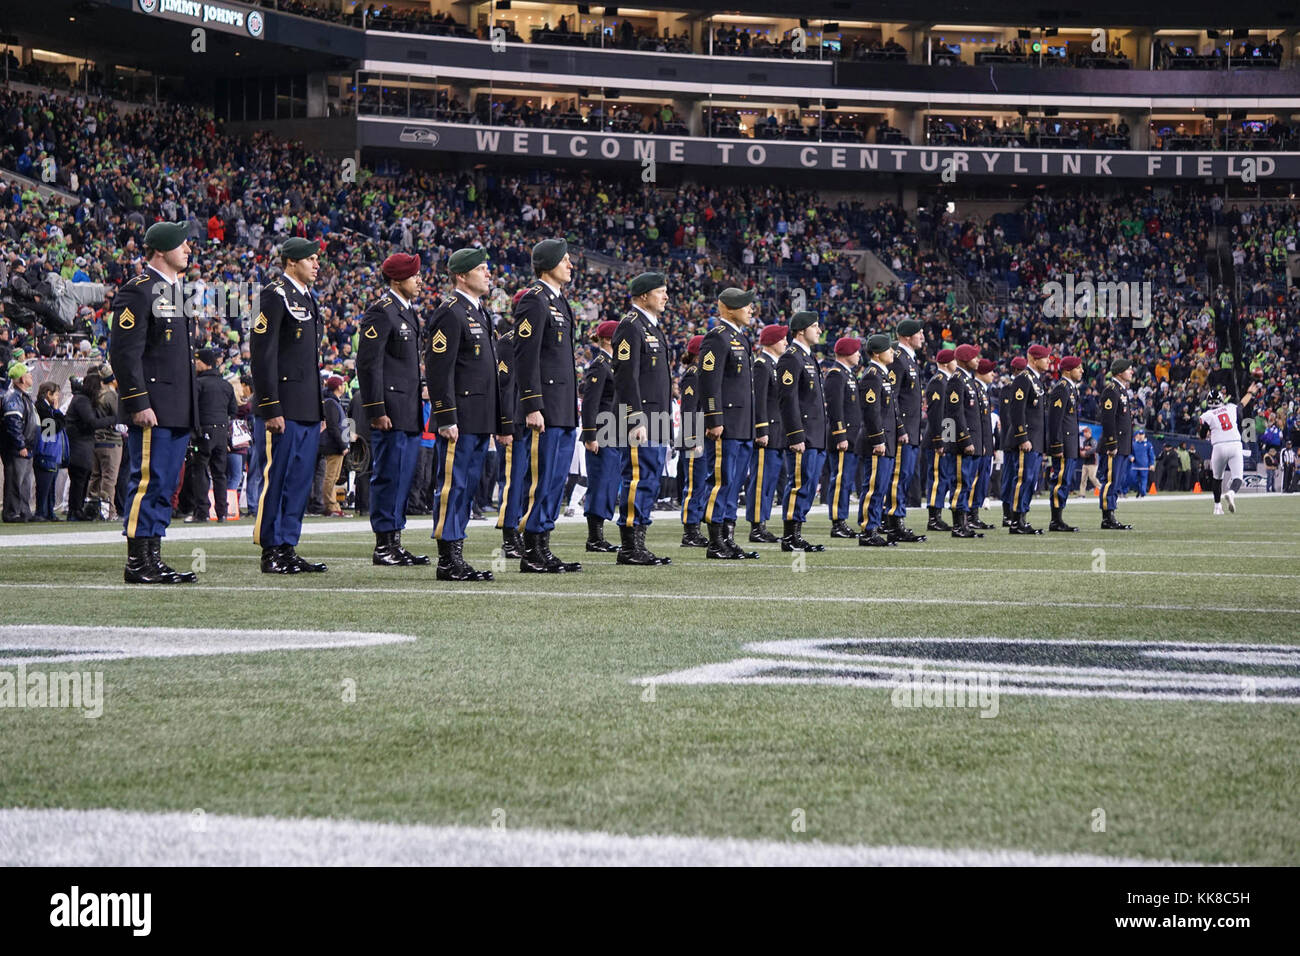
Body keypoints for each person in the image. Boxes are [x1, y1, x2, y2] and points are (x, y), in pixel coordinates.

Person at [109, 220, 198, 583]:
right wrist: (137, 401)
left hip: (176, 405)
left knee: (164, 485)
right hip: (153, 406)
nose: (189, 248)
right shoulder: (139, 290)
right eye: (182, 243)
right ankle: (138, 561)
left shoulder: (177, 291)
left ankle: (154, 555)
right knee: (148, 481)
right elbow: (125, 354)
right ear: (161, 249)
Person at [425, 248, 512, 580]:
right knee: (452, 485)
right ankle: (448, 559)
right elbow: (439, 369)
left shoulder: (480, 313)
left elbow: (491, 376)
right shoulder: (451, 312)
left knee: (466, 487)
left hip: (478, 418)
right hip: (459, 418)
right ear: (461, 275)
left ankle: (456, 552)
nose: (488, 274)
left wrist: (499, 422)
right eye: (481, 269)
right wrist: (446, 416)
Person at [250, 236, 329, 574]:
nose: (316, 265)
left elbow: (310, 361)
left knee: (298, 481)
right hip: (282, 406)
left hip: (306, 406)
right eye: (310, 259)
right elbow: (262, 354)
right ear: (291, 261)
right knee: (278, 478)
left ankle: (288, 545)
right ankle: (272, 549)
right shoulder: (273, 295)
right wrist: (270, 405)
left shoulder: (308, 299)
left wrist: (320, 410)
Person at [513, 238, 583, 573]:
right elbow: (526, 358)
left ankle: (543, 545)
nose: (570, 265)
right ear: (549, 264)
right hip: (545, 408)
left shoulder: (560, 303)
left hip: (563, 407)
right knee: (540, 479)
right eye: (565, 260)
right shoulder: (534, 301)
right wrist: (532, 404)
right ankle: (530, 549)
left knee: (556, 480)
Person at [612, 271, 673, 567]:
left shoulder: (652, 327)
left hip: (657, 416)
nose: (666, 297)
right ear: (644, 295)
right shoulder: (631, 326)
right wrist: (634, 418)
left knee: (650, 480)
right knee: (637, 479)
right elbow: (626, 377)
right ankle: (629, 546)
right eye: (660, 291)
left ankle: (639, 542)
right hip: (642, 418)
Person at [698, 287, 761, 559]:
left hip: (742, 423)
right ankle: (715, 541)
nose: (751, 310)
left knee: (735, 482)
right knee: (721, 481)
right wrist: (714, 418)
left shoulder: (741, 339)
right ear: (730, 308)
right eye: (745, 305)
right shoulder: (717, 338)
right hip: (726, 424)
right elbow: (709, 381)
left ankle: (728, 537)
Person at [776, 311, 827, 553]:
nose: (819, 330)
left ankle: (797, 534)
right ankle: (790, 537)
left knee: (807, 484)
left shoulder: (807, 357)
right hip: (803, 435)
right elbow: (788, 399)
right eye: (815, 326)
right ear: (800, 331)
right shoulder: (791, 358)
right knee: (798, 484)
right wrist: (795, 434)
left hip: (815, 434)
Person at [580, 320, 620, 553]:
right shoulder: (599, 365)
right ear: (607, 339)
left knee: (610, 483)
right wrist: (590, 435)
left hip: (613, 431)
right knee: (600, 482)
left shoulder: (614, 364)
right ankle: (594, 537)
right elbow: (590, 403)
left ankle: (599, 535)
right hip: (601, 432)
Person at [745, 322, 787, 543]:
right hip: (767, 431)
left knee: (770, 480)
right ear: (772, 342)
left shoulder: (773, 365)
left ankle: (763, 522)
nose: (786, 342)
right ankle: (756, 525)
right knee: (761, 480)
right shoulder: (762, 364)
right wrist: (761, 428)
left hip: (777, 432)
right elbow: (759, 400)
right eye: (782, 339)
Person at [185, 347, 237, 523]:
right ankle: (221, 513)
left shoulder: (198, 384)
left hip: (203, 432)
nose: (195, 363)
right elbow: (233, 410)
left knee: (200, 471)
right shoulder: (226, 385)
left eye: (198, 360)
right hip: (222, 431)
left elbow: (191, 410)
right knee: (220, 473)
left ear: (205, 363)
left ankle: (202, 512)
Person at [885, 318, 926, 541]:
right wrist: (901, 428)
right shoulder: (899, 360)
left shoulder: (909, 360)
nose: (922, 336)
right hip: (903, 432)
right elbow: (892, 398)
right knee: (899, 476)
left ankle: (896, 519)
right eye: (919, 333)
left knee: (906, 475)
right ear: (907, 337)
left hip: (911, 430)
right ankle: (894, 522)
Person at [856, 334, 899, 547]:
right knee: (873, 487)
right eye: (888, 349)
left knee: (880, 487)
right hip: (878, 441)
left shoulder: (883, 374)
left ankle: (873, 525)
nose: (892, 352)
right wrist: (877, 440)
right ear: (876, 353)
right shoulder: (872, 375)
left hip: (887, 439)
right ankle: (867, 529)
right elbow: (871, 412)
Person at [494, 295, 527, 558]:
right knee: (513, 480)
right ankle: (508, 535)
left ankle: (522, 528)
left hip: (532, 418)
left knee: (526, 480)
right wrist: (505, 421)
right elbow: (505, 385)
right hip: (515, 419)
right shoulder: (509, 341)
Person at [1005, 344, 1050, 535]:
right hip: (1027, 440)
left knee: (1030, 480)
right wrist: (1022, 437)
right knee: (1023, 478)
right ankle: (1016, 520)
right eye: (1045, 358)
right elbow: (1016, 411)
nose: (1048, 361)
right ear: (1033, 359)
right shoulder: (1024, 379)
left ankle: (1023, 517)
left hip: (1036, 440)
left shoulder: (1036, 381)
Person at [1199, 380, 1260, 515]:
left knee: (1217, 478)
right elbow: (1242, 404)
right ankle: (1231, 493)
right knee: (1238, 477)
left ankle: (1217, 507)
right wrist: (1250, 392)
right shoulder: (1231, 408)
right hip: (1234, 444)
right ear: (1221, 400)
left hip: (1219, 447)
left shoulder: (1207, 415)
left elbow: (1202, 435)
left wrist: (1208, 430)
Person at [824, 336, 862, 540]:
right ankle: (838, 522)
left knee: (846, 481)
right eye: (855, 351)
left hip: (852, 437)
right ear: (847, 353)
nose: (858, 354)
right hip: (843, 438)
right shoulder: (836, 375)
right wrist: (840, 435)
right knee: (840, 480)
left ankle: (842, 520)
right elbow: (835, 408)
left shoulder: (847, 375)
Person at [946, 343, 984, 538]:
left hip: (972, 442)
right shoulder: (957, 380)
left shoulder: (968, 381)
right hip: (964, 444)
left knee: (967, 483)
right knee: (960, 483)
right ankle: (958, 525)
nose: (978, 360)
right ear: (964, 359)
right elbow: (954, 413)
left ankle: (964, 522)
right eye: (974, 356)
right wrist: (963, 439)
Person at [64, 371, 112, 521]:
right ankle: (75, 510)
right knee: (79, 478)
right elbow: (92, 422)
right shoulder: (82, 401)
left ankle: (76, 510)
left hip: (81, 445)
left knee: (81, 478)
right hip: (79, 445)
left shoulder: (81, 400)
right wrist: (113, 419)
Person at [677, 334, 708, 547]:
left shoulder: (702, 374)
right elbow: (688, 409)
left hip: (702, 437)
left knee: (700, 484)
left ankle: (695, 527)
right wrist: (692, 438)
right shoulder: (693, 374)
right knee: (694, 485)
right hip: (694, 438)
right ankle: (690, 531)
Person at [1098, 356, 1136, 530]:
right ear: (1120, 372)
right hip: (1115, 444)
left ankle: (1111, 514)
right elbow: (1108, 419)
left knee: (1117, 480)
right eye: (1128, 369)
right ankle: (1107, 516)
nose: (1131, 372)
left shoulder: (1120, 390)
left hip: (1122, 444)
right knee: (1110, 480)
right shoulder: (1111, 390)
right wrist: (1111, 443)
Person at [1046, 354, 1083, 532]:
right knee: (1060, 481)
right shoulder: (1061, 388)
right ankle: (1055, 519)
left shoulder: (1071, 388)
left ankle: (1059, 517)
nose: (1082, 371)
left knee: (1066, 481)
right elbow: (1055, 420)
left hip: (1070, 443)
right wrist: (1056, 445)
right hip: (1063, 444)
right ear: (1068, 370)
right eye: (1078, 368)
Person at [922, 348, 957, 531]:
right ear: (945, 363)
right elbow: (936, 414)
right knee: (937, 478)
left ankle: (938, 516)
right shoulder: (938, 382)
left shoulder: (948, 382)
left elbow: (948, 416)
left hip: (945, 438)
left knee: (944, 477)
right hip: (937, 439)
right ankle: (933, 518)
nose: (957, 363)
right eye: (954, 360)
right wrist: (940, 440)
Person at [2, 360, 37, 522]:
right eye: (28, 374)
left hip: (25, 446)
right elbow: (13, 423)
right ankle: (12, 513)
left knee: (24, 482)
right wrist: (20, 444)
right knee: (15, 481)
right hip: (17, 448)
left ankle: (23, 511)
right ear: (22, 379)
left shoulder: (22, 396)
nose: (31, 376)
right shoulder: (13, 397)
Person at [999, 355, 1027, 525]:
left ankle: (1015, 512)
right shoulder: (1008, 390)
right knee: (1010, 477)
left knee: (1019, 476)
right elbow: (1008, 417)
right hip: (1011, 441)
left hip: (1021, 439)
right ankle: (1006, 513)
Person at [969, 358, 996, 529]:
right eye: (990, 371)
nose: (993, 374)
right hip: (979, 443)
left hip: (985, 443)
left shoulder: (983, 390)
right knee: (975, 479)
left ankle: (975, 514)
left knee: (983, 479)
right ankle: (970, 514)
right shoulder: (975, 388)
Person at [319, 376, 350, 518]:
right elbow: (333, 426)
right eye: (342, 384)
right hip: (334, 445)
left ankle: (333, 505)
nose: (344, 386)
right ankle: (329, 505)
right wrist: (342, 444)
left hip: (337, 444)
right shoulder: (331, 403)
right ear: (338, 387)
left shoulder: (334, 402)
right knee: (330, 476)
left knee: (334, 476)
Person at [1130, 428, 1155, 497]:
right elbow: (1130, 453)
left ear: (1144, 435)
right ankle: (1139, 490)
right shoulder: (1134, 444)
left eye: (1142, 435)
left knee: (1144, 480)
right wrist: (1131, 457)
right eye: (1139, 434)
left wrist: (1152, 464)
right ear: (1137, 435)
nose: (1141, 436)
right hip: (1135, 466)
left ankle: (1143, 493)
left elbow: (1151, 455)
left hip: (1144, 466)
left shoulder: (1148, 444)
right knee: (1133, 479)